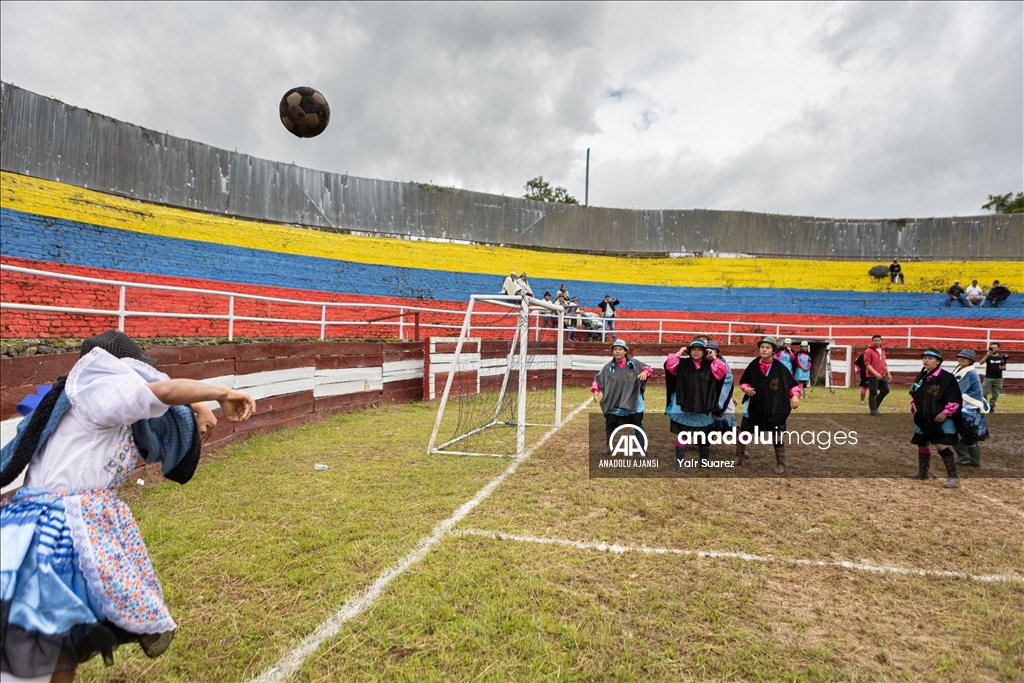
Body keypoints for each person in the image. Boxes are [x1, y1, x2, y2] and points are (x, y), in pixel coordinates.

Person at [0, 331, 256, 681]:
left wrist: (197, 406)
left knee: (60, 637)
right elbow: (164, 391)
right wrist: (222, 393)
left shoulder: (84, 395)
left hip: (64, 525)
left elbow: (157, 388)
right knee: (32, 641)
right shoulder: (101, 392)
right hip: (55, 533)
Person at [737, 337, 801, 474]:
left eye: (767, 347)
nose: (764, 350)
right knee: (744, 431)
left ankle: (781, 463)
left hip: (774, 406)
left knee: (777, 434)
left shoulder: (780, 368)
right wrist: (745, 388)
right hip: (755, 404)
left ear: (773, 351)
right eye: (762, 347)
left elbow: (792, 385)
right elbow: (744, 381)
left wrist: (795, 396)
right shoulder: (754, 365)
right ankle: (739, 456)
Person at [664, 339, 728, 464]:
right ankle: (679, 461)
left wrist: (714, 357)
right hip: (685, 404)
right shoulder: (682, 363)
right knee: (683, 434)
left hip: (703, 404)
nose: (696, 352)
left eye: (699, 350)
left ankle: (704, 461)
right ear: (689, 351)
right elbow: (669, 365)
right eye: (693, 349)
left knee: (704, 436)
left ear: (704, 352)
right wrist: (679, 353)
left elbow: (722, 371)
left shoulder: (710, 364)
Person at [906, 348, 962, 488]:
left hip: (940, 417)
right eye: (925, 357)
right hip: (924, 417)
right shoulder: (922, 376)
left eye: (930, 358)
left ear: (938, 361)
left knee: (940, 444)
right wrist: (914, 404)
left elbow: (955, 398)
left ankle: (953, 476)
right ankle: (923, 473)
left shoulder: (946, 377)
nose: (926, 360)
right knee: (922, 443)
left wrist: (945, 413)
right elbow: (915, 393)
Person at [591, 340, 652, 454]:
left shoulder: (634, 363)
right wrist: (595, 389)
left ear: (625, 351)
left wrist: (645, 372)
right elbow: (598, 379)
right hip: (614, 401)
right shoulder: (608, 367)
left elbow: (647, 368)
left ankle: (641, 448)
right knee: (610, 423)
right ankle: (609, 445)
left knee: (637, 424)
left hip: (632, 399)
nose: (617, 351)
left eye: (620, 349)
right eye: (615, 349)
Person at [952, 349, 988, 467]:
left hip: (968, 409)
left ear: (971, 361)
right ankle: (973, 460)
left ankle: (964, 455)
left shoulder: (970, 373)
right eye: (960, 356)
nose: (961, 359)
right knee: (968, 435)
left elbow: (958, 390)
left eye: (965, 358)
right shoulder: (960, 370)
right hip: (965, 407)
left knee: (952, 431)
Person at [706, 341, 737, 431]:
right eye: (707, 350)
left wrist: (732, 395)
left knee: (728, 418)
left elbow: (728, 379)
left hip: (722, 394)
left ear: (717, 352)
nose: (709, 351)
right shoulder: (704, 362)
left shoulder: (722, 362)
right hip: (709, 395)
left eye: (712, 349)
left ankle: (737, 436)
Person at [864, 335, 891, 416]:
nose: (876, 342)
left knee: (885, 390)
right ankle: (873, 410)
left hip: (882, 375)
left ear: (881, 341)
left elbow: (884, 362)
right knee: (873, 393)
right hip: (872, 376)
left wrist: (888, 373)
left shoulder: (882, 350)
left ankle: (875, 405)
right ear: (872, 341)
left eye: (878, 340)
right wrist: (875, 373)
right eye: (875, 340)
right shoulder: (868, 351)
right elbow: (867, 364)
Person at [979, 343, 1007, 412]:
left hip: (998, 378)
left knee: (995, 394)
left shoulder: (1001, 357)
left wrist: (1002, 368)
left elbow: (1004, 367)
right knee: (984, 393)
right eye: (992, 348)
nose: (993, 349)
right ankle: (984, 406)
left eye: (995, 348)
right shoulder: (988, 356)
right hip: (988, 377)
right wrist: (987, 355)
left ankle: (992, 407)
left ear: (998, 349)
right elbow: (981, 363)